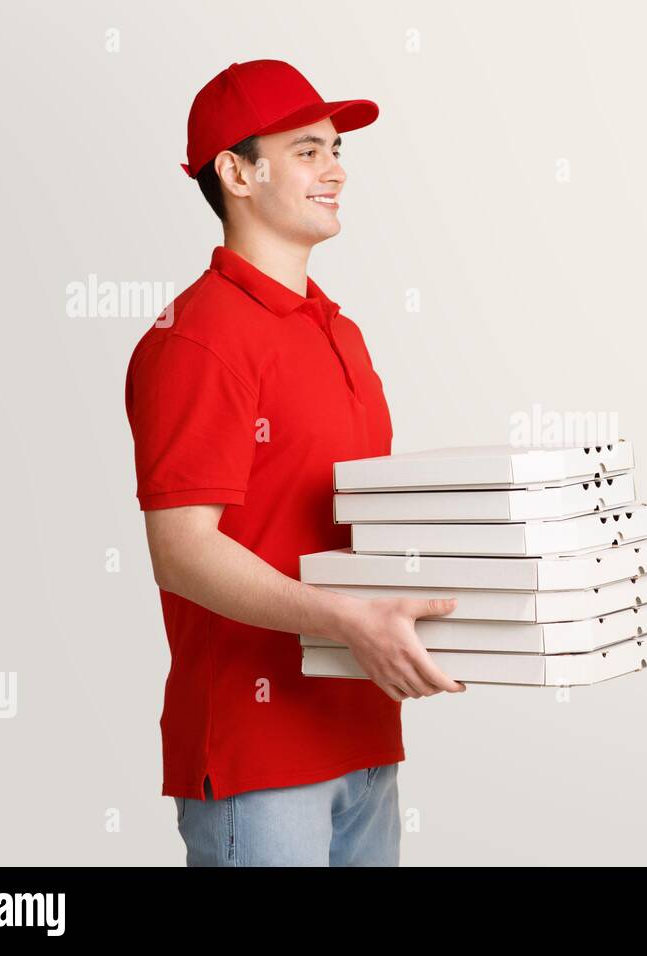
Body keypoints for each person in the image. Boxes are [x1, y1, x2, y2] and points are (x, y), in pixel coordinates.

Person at [123, 59, 465, 867]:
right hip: (259, 753)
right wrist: (347, 619)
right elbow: (181, 549)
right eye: (308, 150)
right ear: (236, 173)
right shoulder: (196, 338)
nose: (337, 169)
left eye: (337, 148)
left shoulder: (338, 332)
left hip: (361, 725)